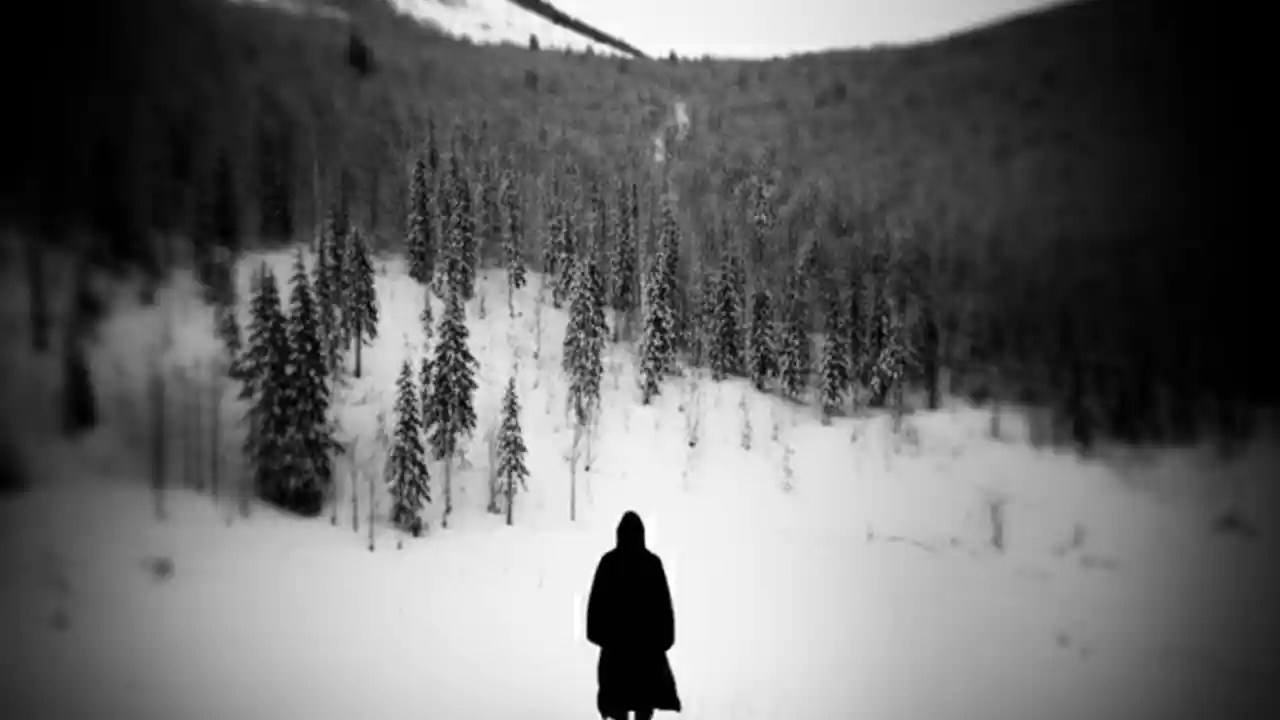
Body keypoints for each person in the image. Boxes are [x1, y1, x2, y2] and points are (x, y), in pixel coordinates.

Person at [587, 511, 682, 720]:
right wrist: (662, 643)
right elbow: (665, 610)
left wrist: (606, 639)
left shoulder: (608, 563)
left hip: (615, 659)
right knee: (644, 707)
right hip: (647, 659)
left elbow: (594, 612)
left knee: (618, 707)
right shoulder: (652, 564)